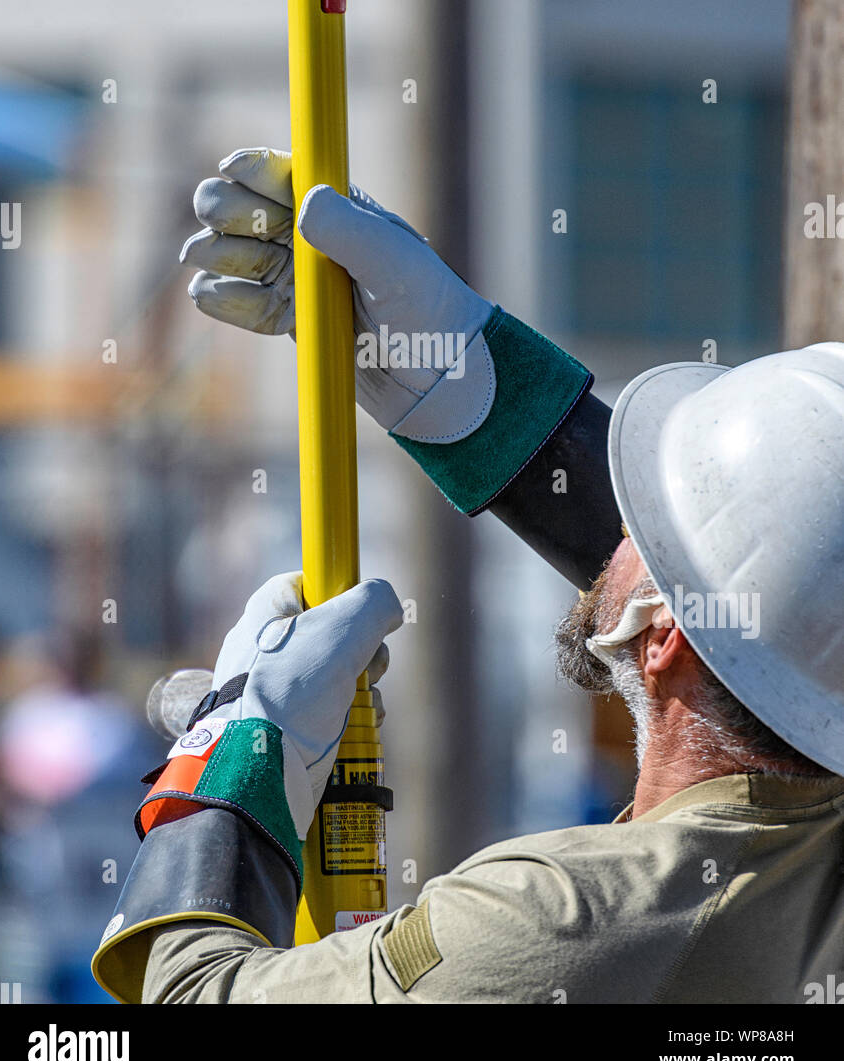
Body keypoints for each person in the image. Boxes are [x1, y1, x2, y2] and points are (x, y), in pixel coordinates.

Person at [92, 148, 844, 1004]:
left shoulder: (562, 925)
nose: (621, 528)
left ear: (664, 634)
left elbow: (191, 999)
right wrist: (473, 391)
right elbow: (756, 613)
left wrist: (234, 751)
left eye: (649, 529)